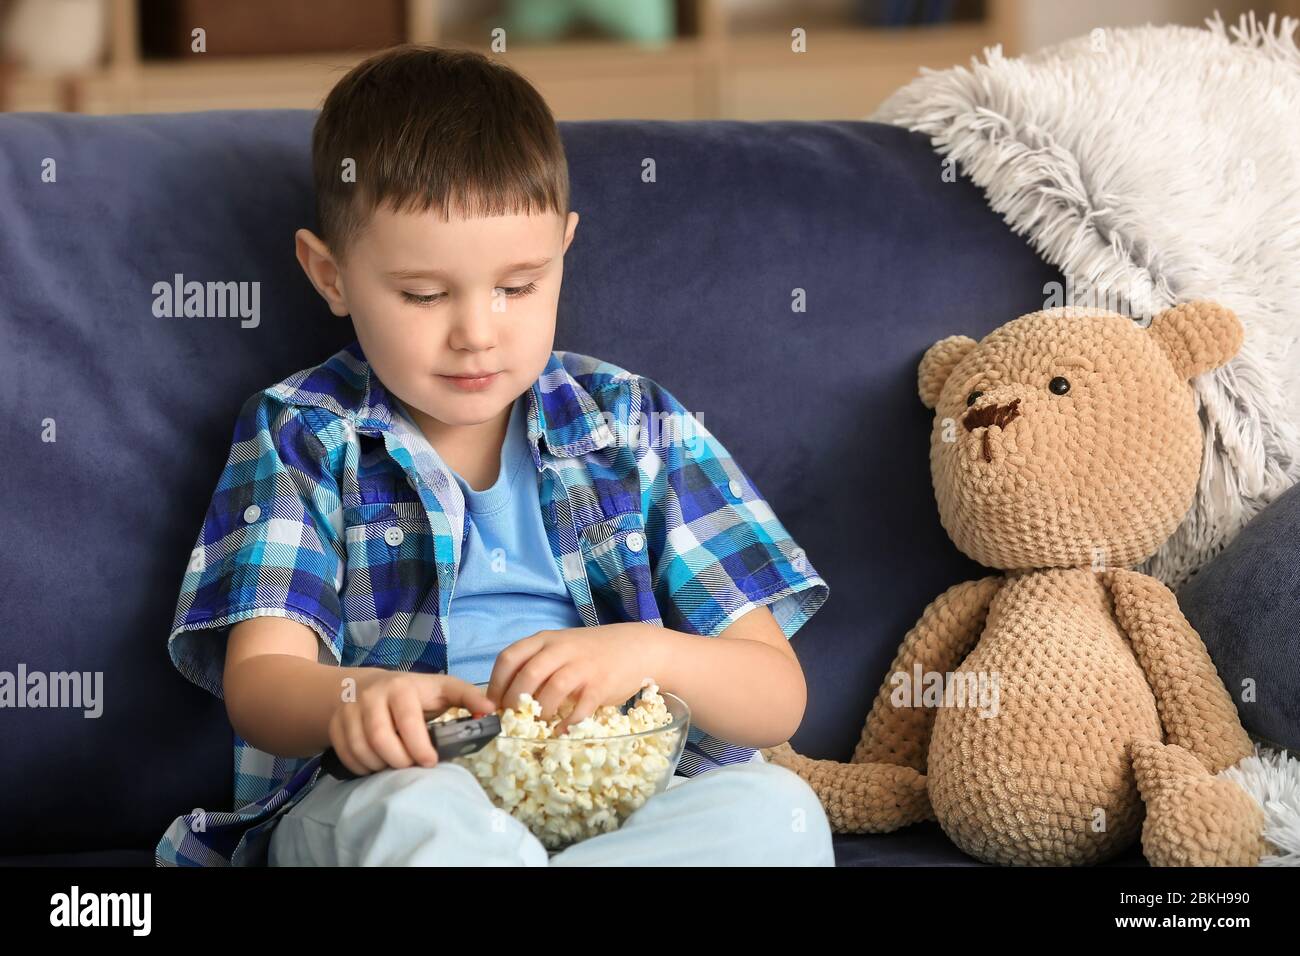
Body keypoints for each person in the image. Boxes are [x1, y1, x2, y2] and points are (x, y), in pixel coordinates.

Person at [155, 44, 832, 867]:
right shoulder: (303, 433)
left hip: (617, 792)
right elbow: (259, 688)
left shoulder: (636, 424)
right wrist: (361, 699)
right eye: (424, 294)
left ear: (563, 252)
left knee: (778, 811)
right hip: (393, 786)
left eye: (519, 286)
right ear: (330, 276)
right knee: (415, 821)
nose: (478, 332)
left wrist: (646, 652)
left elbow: (776, 697)